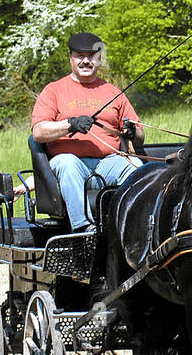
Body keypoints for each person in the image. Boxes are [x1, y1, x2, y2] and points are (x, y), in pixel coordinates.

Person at [26, 32, 144, 231]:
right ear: (71, 58)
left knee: (137, 166)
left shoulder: (113, 92)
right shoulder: (54, 90)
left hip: (108, 163)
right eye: (80, 56)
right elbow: (38, 132)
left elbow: (140, 136)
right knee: (67, 163)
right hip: (71, 164)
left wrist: (132, 132)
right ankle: (83, 230)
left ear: (99, 59)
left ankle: (134, 228)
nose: (86, 61)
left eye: (92, 56)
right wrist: (70, 124)